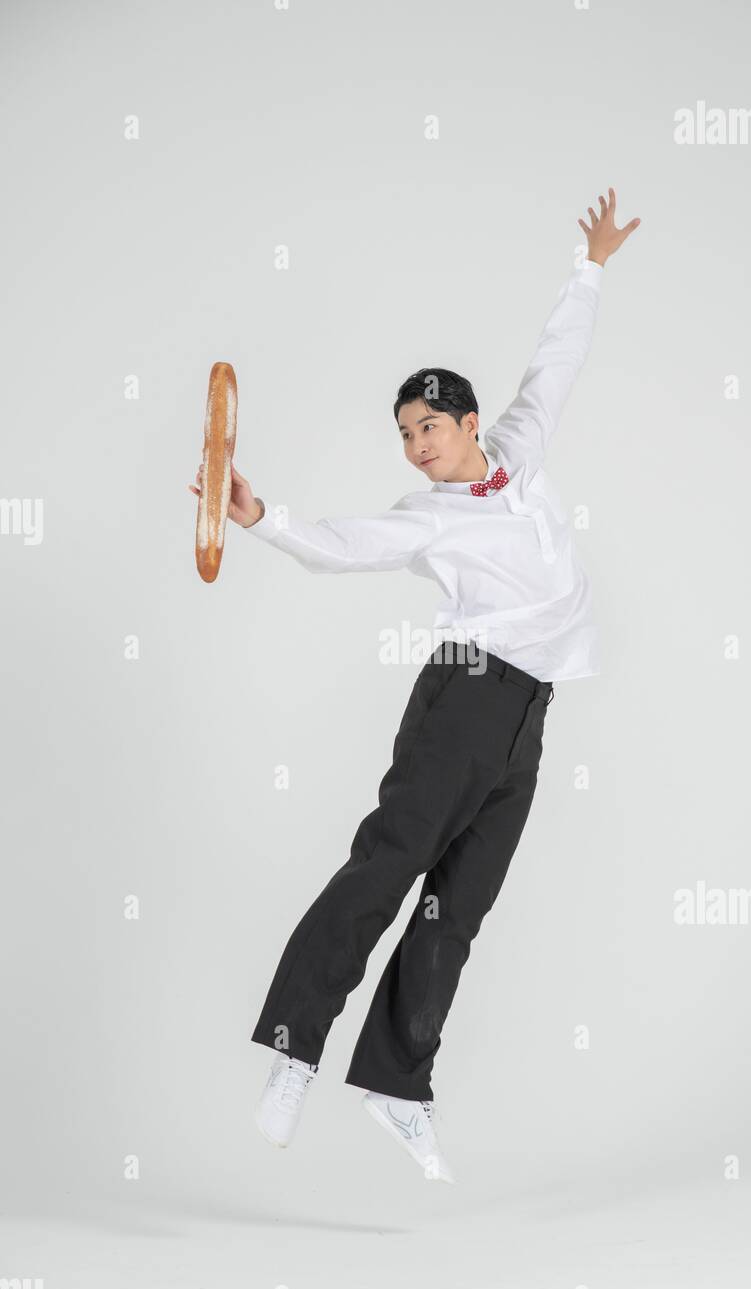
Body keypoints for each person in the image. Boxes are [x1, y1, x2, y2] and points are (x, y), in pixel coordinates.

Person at [189, 188, 640, 1183]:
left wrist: (590, 265)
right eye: (402, 433)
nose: (415, 445)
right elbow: (341, 547)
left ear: (469, 422)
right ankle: (293, 1049)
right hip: (467, 694)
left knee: (457, 905)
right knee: (387, 865)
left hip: (527, 713)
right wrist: (261, 515)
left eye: (427, 425)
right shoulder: (426, 514)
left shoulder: (517, 453)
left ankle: (396, 1083)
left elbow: (553, 363)